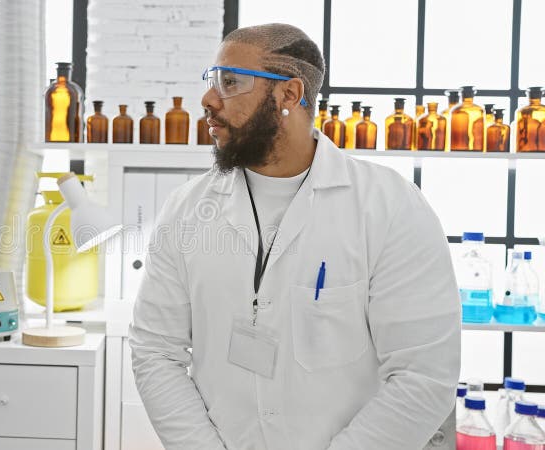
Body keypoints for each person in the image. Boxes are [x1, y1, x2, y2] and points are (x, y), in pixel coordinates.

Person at [128, 23, 461, 450]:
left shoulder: (391, 206)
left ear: (288, 94)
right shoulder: (186, 209)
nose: (208, 100)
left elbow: (424, 374)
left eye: (229, 82)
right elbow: (155, 352)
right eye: (211, 81)